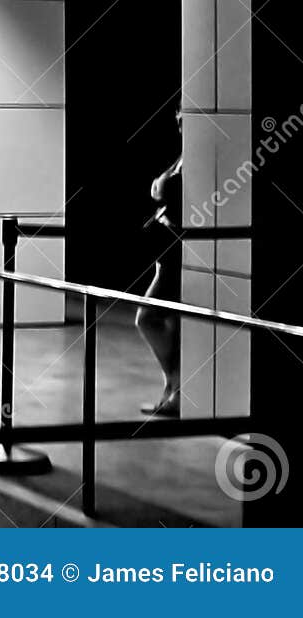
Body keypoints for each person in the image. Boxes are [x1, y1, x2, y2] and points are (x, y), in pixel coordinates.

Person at [137, 110, 183, 417]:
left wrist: (161, 185)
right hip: (167, 254)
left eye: (186, 121)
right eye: (178, 121)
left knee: (148, 317)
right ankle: (174, 390)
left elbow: (166, 189)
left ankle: (176, 385)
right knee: (169, 322)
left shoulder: (199, 155)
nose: (181, 127)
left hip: (180, 256)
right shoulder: (184, 155)